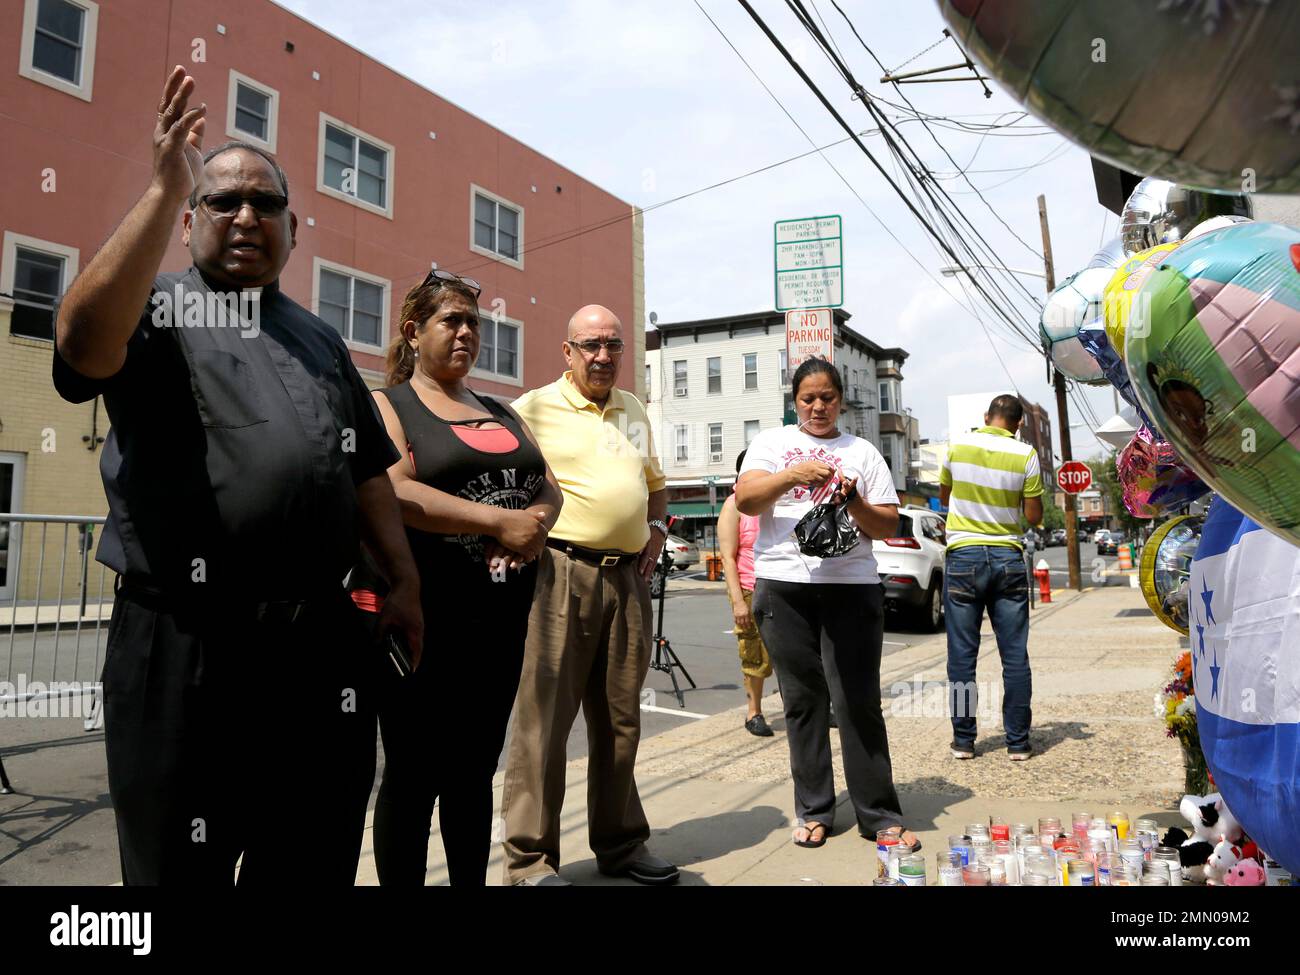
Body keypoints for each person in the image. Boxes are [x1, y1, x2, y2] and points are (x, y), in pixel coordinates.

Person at [51, 67, 422, 884]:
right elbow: (81, 348)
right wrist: (160, 186)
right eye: (222, 201)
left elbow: (365, 469)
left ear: (293, 226)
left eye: (268, 203)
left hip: (318, 646)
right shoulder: (155, 307)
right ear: (189, 221)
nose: (247, 216)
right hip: (185, 647)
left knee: (312, 856)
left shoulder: (321, 340)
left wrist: (403, 579)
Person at [354, 271, 564, 886]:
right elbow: (392, 491)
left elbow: (546, 483)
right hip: (421, 617)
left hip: (498, 624)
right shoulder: (389, 405)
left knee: (473, 772)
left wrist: (536, 526)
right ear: (414, 332)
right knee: (415, 774)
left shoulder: (498, 408)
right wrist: (501, 522)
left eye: (475, 322)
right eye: (452, 321)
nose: (467, 332)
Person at [499, 304, 677, 886]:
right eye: (591, 345)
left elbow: (655, 486)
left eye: (614, 345)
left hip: (627, 579)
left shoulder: (632, 410)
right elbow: (502, 482)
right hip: (559, 572)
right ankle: (529, 862)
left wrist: (654, 530)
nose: (603, 356)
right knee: (543, 723)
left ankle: (622, 845)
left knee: (621, 721)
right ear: (567, 351)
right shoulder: (534, 407)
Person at [736, 359, 916, 851]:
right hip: (783, 587)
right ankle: (814, 810)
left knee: (857, 702)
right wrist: (792, 473)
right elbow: (747, 500)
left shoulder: (863, 452)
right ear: (794, 401)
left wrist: (853, 497)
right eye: (808, 399)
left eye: (828, 398)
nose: (818, 407)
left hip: (851, 586)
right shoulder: (771, 445)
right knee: (802, 703)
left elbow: (885, 526)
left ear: (841, 400)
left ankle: (879, 815)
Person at [940, 394, 1044, 762]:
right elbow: (1033, 517)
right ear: (1017, 424)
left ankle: (964, 741)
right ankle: (1017, 743)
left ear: (987, 417)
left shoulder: (957, 445)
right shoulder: (1026, 455)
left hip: (964, 555)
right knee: (1014, 656)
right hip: (1008, 558)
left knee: (961, 657)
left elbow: (945, 494)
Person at [716, 450, 774, 737]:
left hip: (781, 583)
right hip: (750, 587)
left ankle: (804, 708)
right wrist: (738, 602)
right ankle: (754, 713)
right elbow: (727, 557)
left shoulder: (775, 499)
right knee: (753, 651)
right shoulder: (733, 505)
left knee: (793, 650)